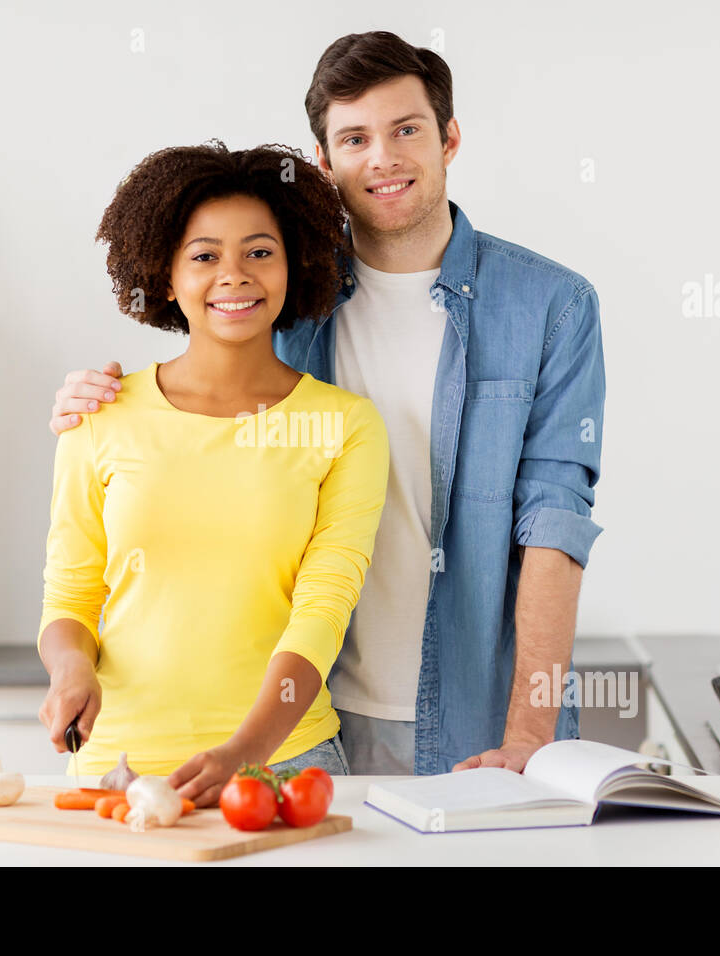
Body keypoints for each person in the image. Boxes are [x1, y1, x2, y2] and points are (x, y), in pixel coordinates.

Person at [49, 32, 606, 776]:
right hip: (309, 715)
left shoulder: (551, 306)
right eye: (354, 138)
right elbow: (193, 408)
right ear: (323, 161)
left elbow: (555, 523)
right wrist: (94, 397)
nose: (383, 158)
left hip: (483, 717)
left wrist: (530, 736)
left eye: (407, 130)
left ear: (449, 139)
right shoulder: (285, 293)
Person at [36, 141, 389, 806]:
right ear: (166, 276)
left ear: (293, 266)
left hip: (282, 763)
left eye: (259, 251)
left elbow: (323, 609)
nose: (234, 275)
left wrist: (244, 752)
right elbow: (70, 597)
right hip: (116, 764)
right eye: (204, 256)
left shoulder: (347, 427)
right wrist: (71, 669)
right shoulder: (100, 415)